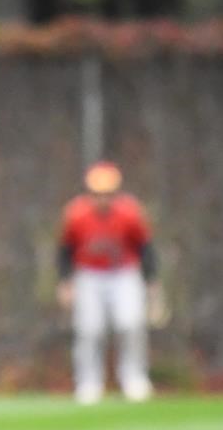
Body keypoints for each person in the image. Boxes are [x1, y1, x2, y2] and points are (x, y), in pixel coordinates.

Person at [56, 160, 158, 403]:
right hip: (89, 274)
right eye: (98, 194)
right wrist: (65, 282)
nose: (103, 199)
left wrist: (152, 283)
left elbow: (145, 248)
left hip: (124, 272)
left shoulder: (130, 212)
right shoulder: (76, 213)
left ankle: (134, 379)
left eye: (108, 194)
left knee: (130, 323)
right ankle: (88, 382)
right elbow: (65, 250)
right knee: (89, 329)